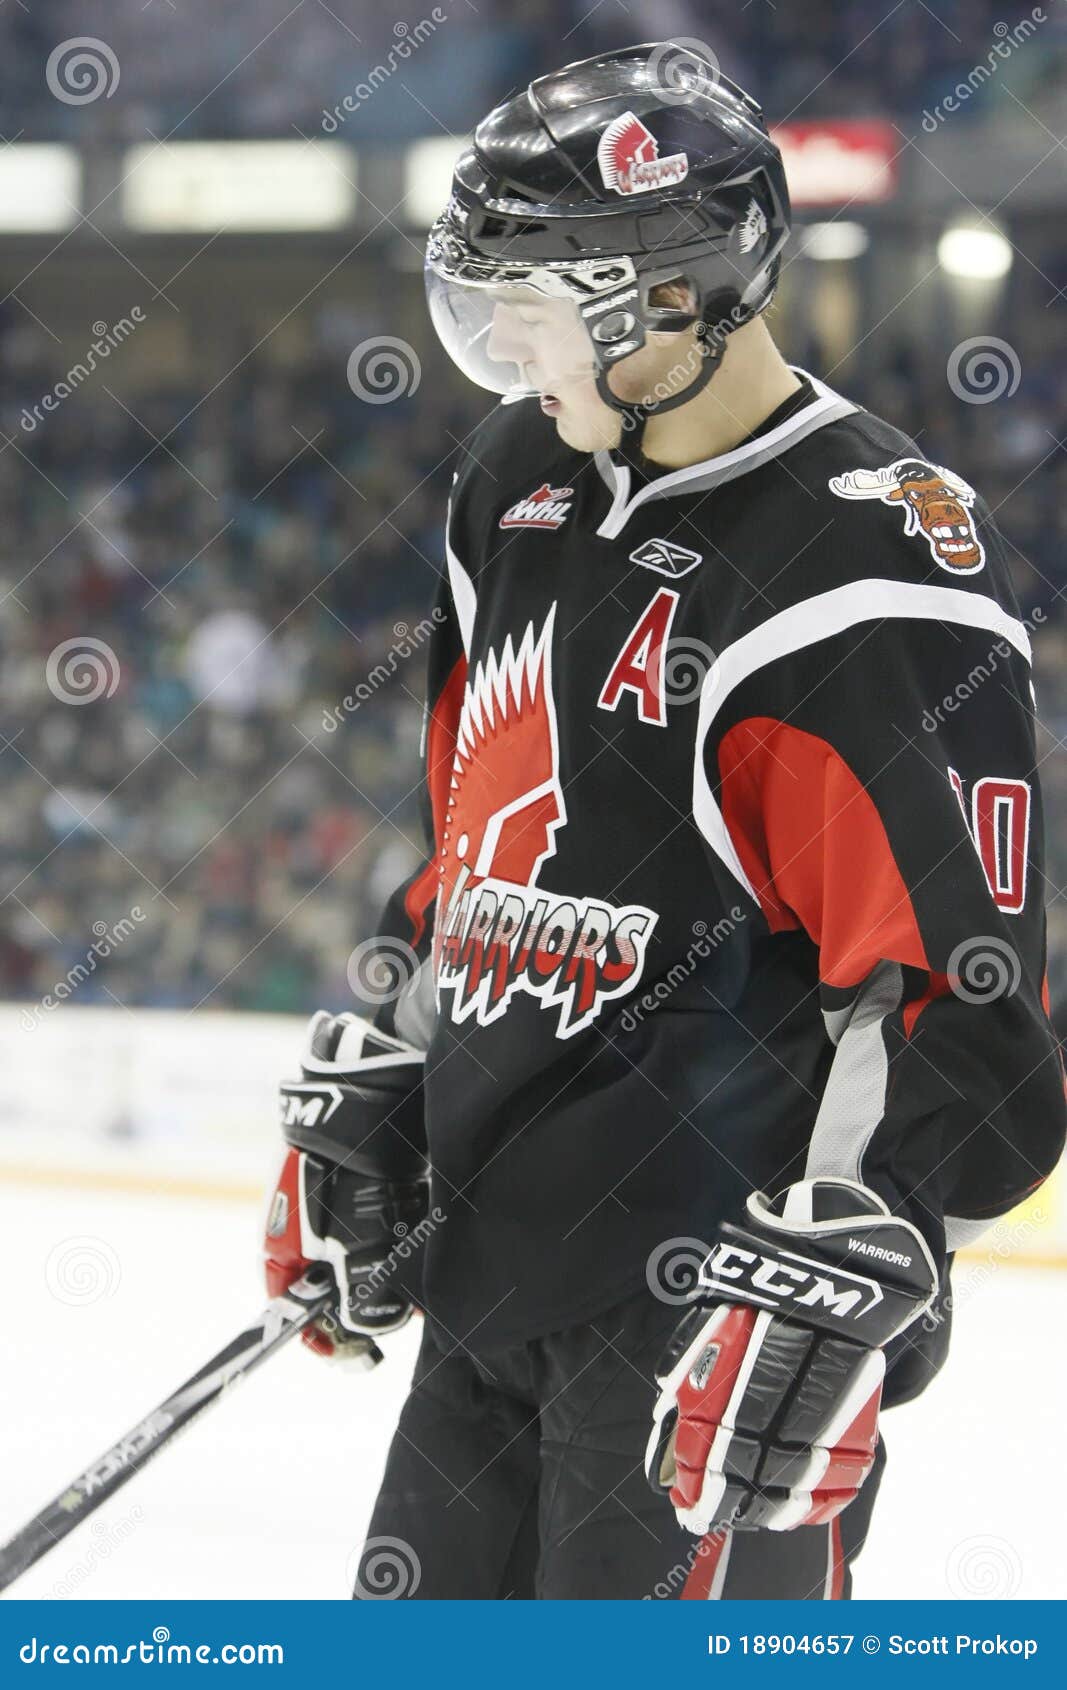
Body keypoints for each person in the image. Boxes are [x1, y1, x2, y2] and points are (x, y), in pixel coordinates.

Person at [263, 44, 1065, 1599]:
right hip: (490, 1300)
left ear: (677, 299)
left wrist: (861, 1240)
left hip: (710, 1335)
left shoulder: (863, 570)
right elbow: (475, 842)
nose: (496, 343)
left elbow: (948, 1002)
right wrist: (401, 1066)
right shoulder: (515, 481)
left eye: (533, 302)